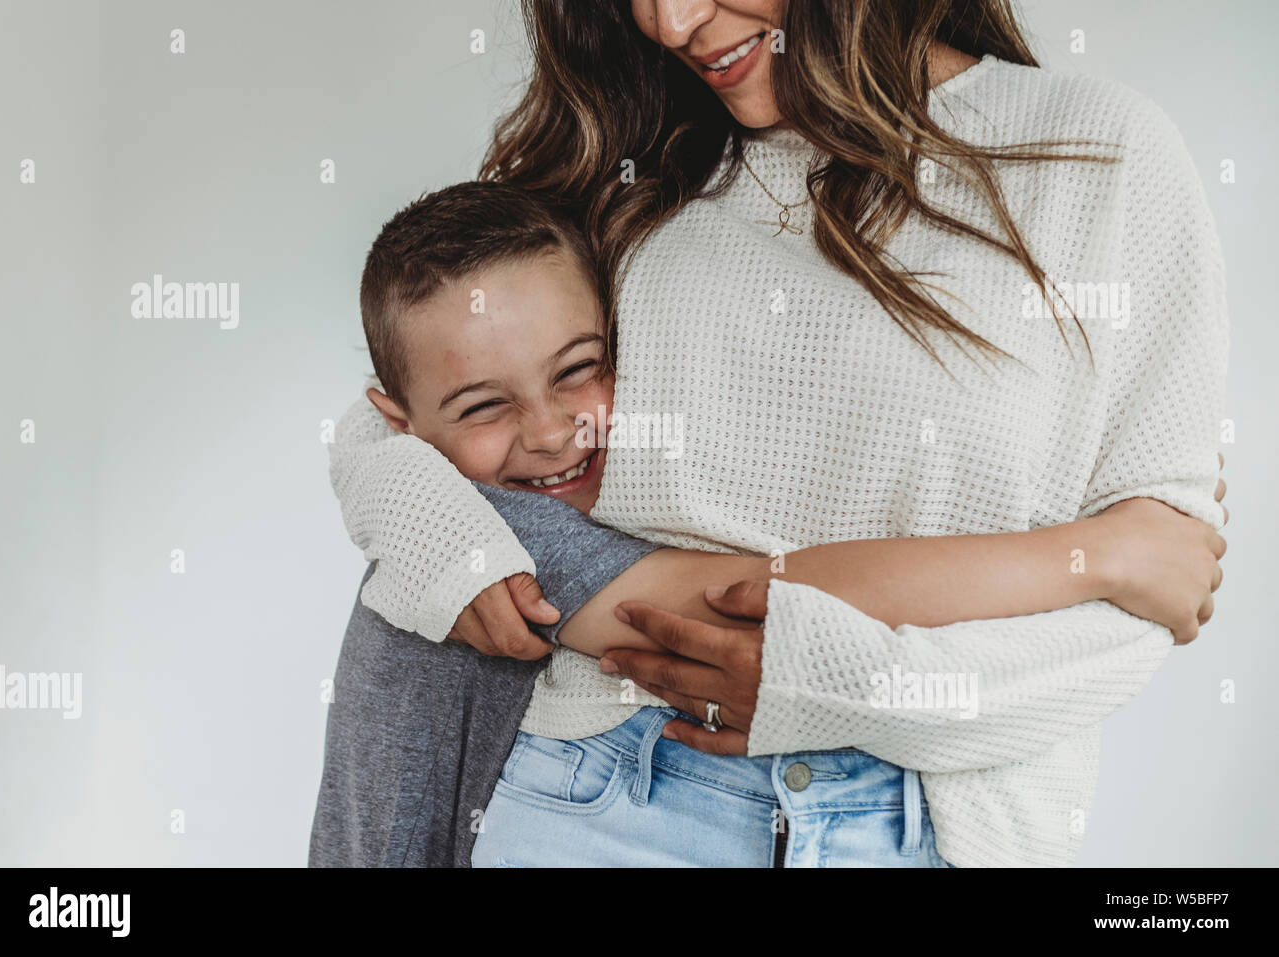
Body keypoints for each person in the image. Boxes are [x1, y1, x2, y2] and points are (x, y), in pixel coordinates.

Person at [327, 0, 1230, 867]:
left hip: (942, 821)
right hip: (603, 789)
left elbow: (1146, 599)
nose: (670, 22)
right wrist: (418, 512)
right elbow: (420, 391)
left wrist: (831, 688)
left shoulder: (1102, 159)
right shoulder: (628, 166)